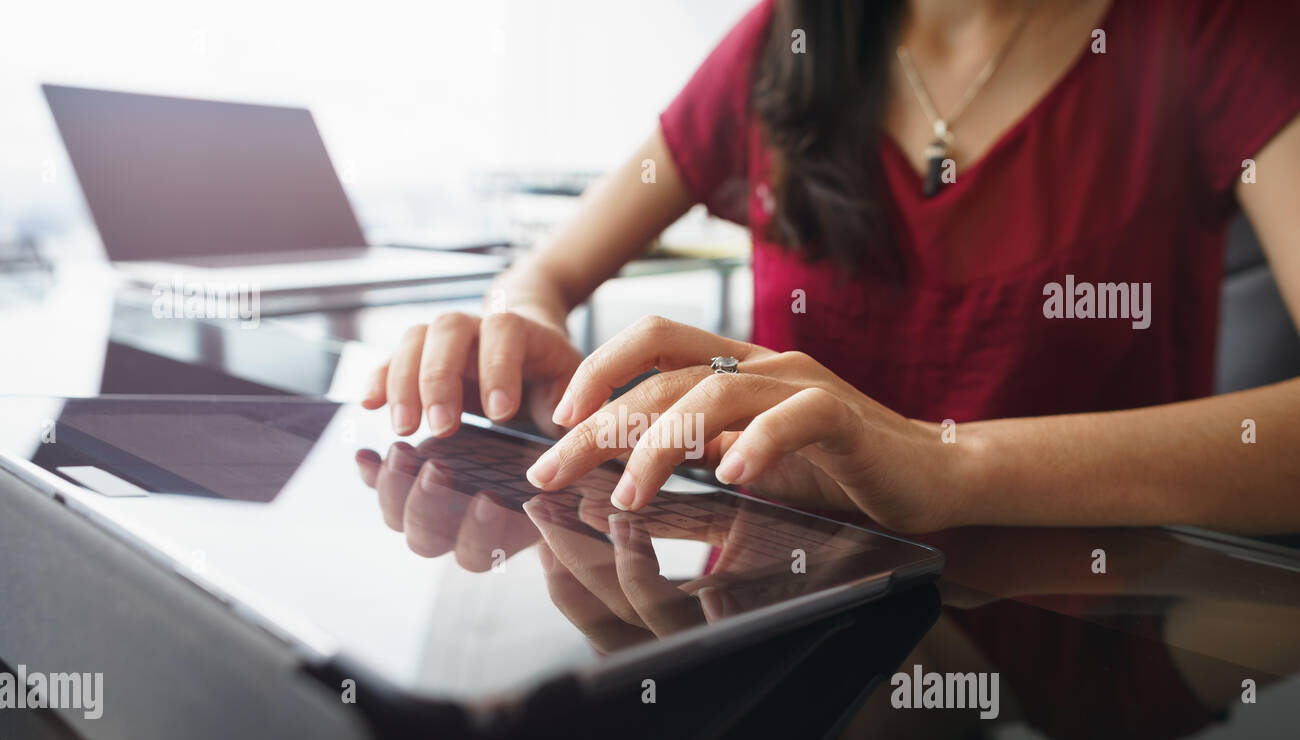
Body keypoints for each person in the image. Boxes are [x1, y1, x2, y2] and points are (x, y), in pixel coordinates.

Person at [363, 0, 1300, 535]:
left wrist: (947, 462)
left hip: (1081, 611)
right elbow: (548, 270)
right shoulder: (785, 42)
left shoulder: (1217, 31)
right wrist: (522, 316)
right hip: (789, 589)